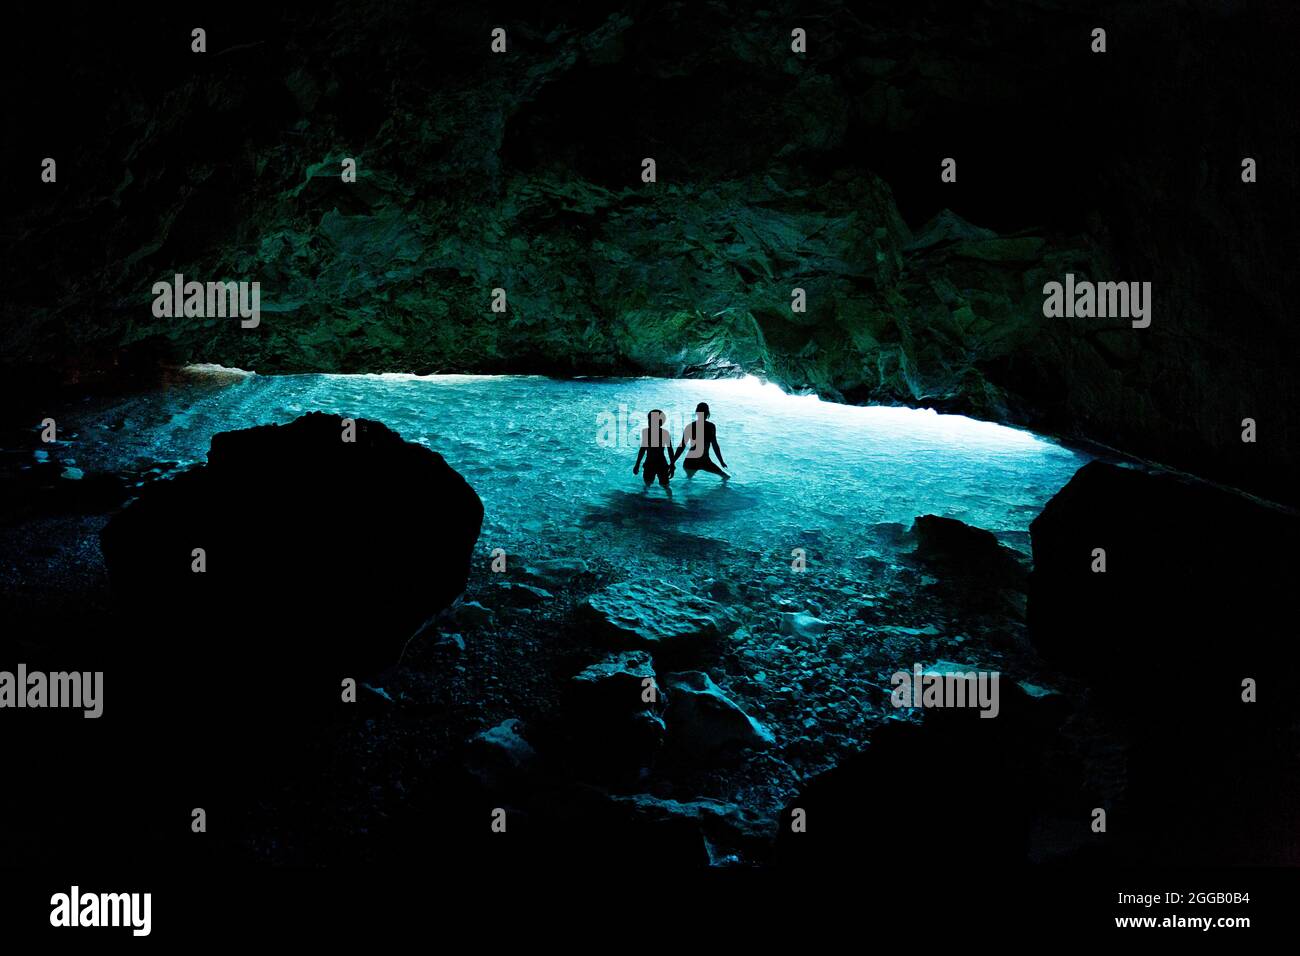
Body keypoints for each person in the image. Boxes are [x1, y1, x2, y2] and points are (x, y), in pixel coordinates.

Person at [672, 402, 729, 480]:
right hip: (704, 461)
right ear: (708, 413)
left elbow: (682, 446)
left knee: (688, 481)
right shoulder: (711, 427)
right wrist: (721, 461)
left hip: (691, 461)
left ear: (697, 412)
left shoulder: (690, 426)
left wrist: (673, 462)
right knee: (725, 477)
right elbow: (715, 445)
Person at [633, 409, 675, 495]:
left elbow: (643, 450)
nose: (649, 422)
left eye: (650, 420)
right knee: (663, 485)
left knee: (650, 484)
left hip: (653, 463)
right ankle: (670, 500)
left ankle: (644, 499)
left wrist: (637, 464)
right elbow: (670, 450)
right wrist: (672, 464)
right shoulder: (663, 433)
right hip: (658, 463)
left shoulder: (650, 432)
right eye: (649, 419)